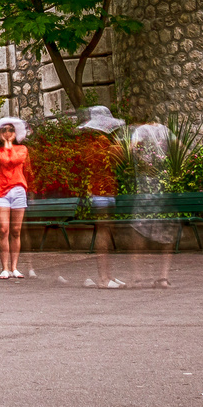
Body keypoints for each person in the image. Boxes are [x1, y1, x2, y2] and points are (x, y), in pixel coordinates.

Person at [75, 106, 126, 289]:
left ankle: (107, 275)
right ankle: (104, 278)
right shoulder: (102, 142)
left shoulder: (92, 142)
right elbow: (119, 158)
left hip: (102, 191)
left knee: (105, 232)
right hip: (101, 192)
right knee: (103, 233)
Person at [0, 116, 34, 279]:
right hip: (1, 192)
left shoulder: (23, 149)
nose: (7, 133)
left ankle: (15, 267)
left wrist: (10, 146)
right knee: (4, 229)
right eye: (3, 130)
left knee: (16, 231)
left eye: (11, 130)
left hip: (18, 190)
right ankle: (5, 268)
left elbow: (17, 159)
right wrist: (7, 145)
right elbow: (5, 161)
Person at [128, 121, 177, 288]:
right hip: (165, 189)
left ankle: (138, 278)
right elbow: (182, 150)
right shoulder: (166, 130)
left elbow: (130, 151)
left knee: (139, 230)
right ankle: (163, 277)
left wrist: (144, 166)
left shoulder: (139, 131)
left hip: (145, 190)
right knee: (167, 233)